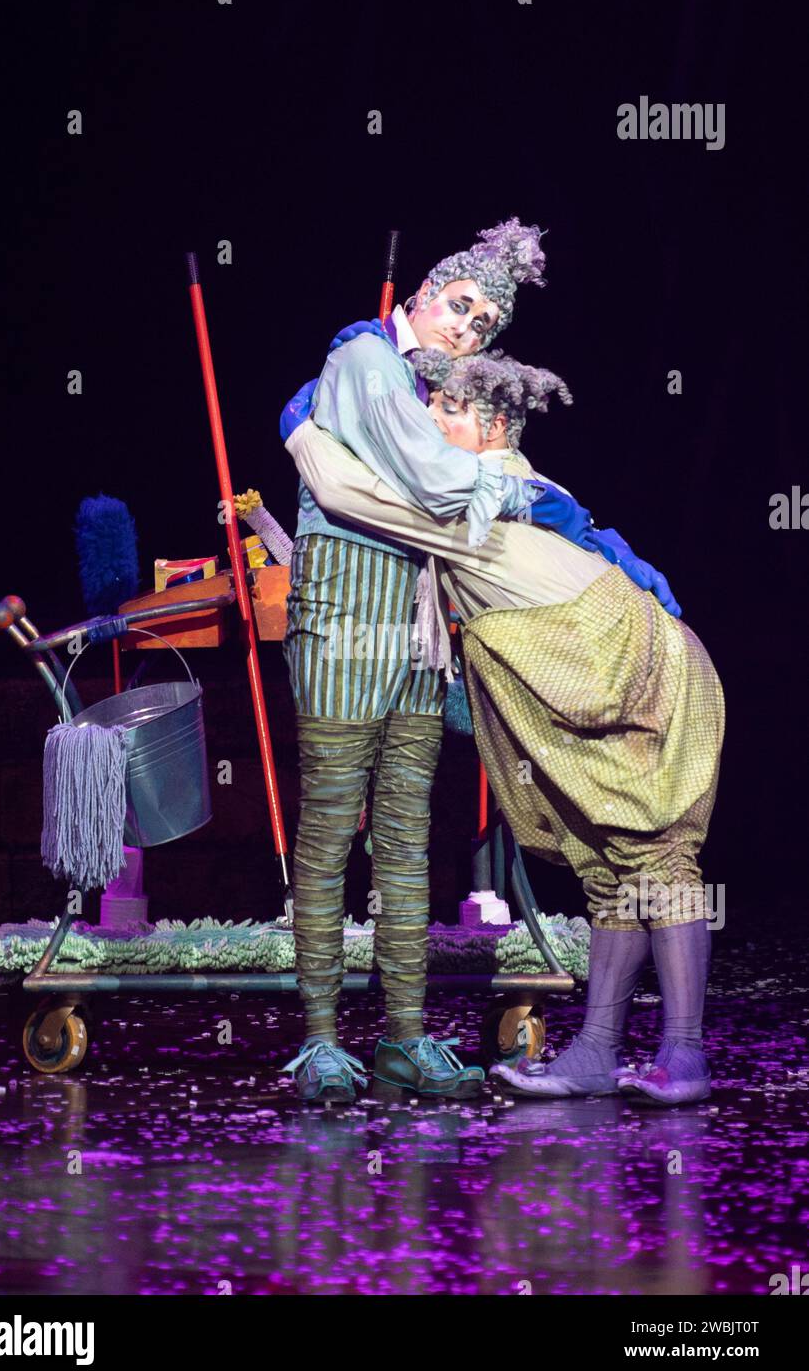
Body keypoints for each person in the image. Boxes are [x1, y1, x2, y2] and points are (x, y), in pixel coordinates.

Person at [284, 348, 724, 1107]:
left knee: (659, 858)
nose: (427, 420)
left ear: (491, 426)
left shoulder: (476, 496)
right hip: (586, 675)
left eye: (446, 411)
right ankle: (595, 1052)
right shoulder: (504, 486)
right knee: (612, 869)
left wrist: (305, 425)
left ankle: (684, 1055)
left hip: (637, 671)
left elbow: (345, 492)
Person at [279, 218, 577, 1104]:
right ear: (421, 297)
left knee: (407, 841)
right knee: (333, 833)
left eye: (486, 324)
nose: (467, 329)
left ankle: (403, 1039)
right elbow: (437, 482)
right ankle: (323, 1042)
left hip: (414, 630)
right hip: (343, 619)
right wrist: (505, 482)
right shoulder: (366, 361)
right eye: (458, 307)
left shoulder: (443, 388)